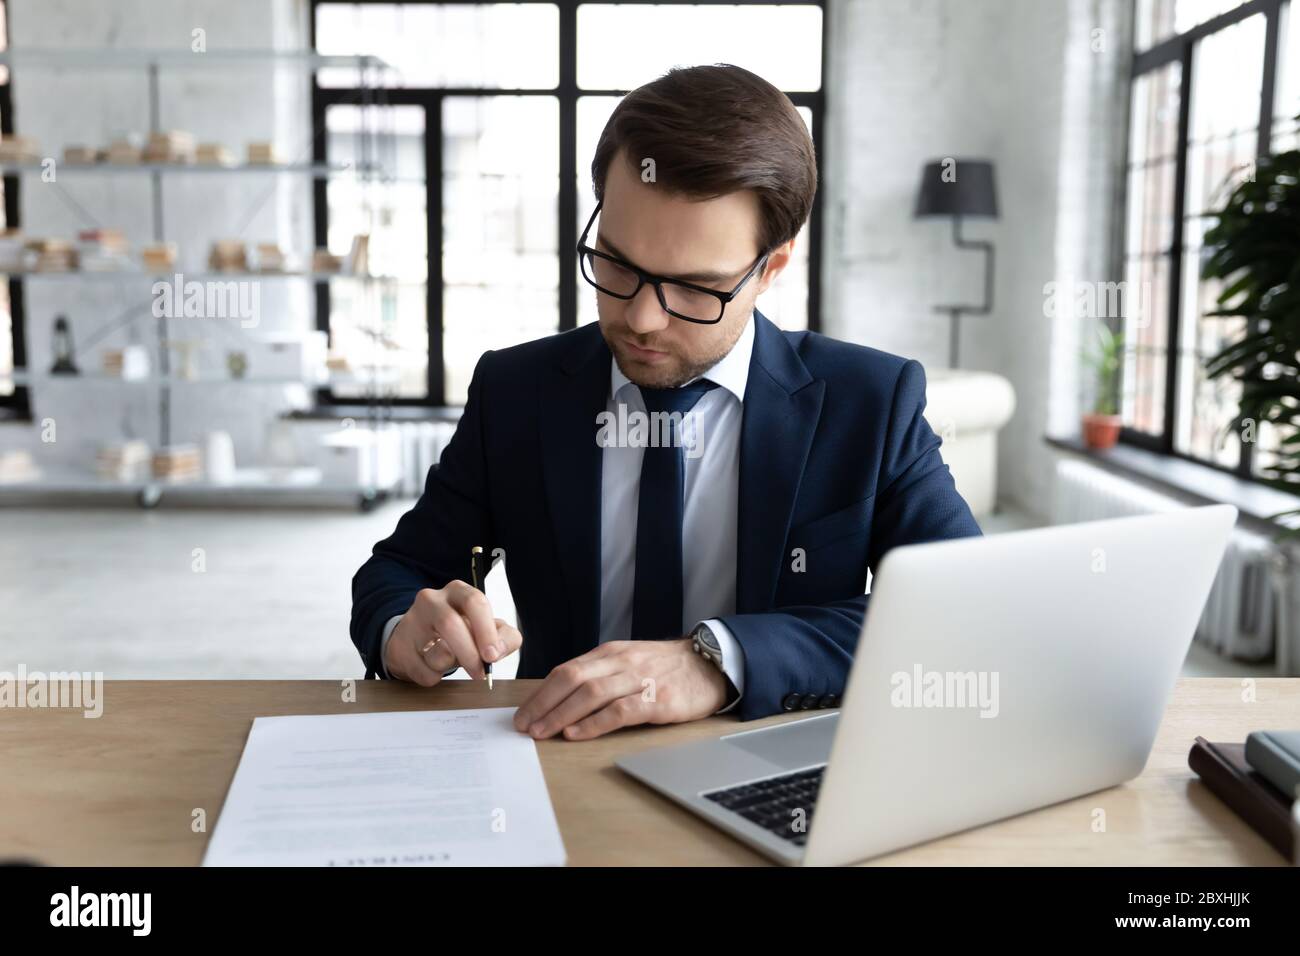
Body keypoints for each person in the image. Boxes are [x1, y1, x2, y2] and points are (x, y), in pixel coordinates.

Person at [351, 63, 981, 741]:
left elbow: (960, 612)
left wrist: (716, 661)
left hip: (773, 753)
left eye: (693, 287)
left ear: (771, 267)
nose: (644, 319)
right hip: (557, 756)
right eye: (618, 265)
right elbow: (401, 570)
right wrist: (405, 629)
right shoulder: (517, 391)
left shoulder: (871, 402)